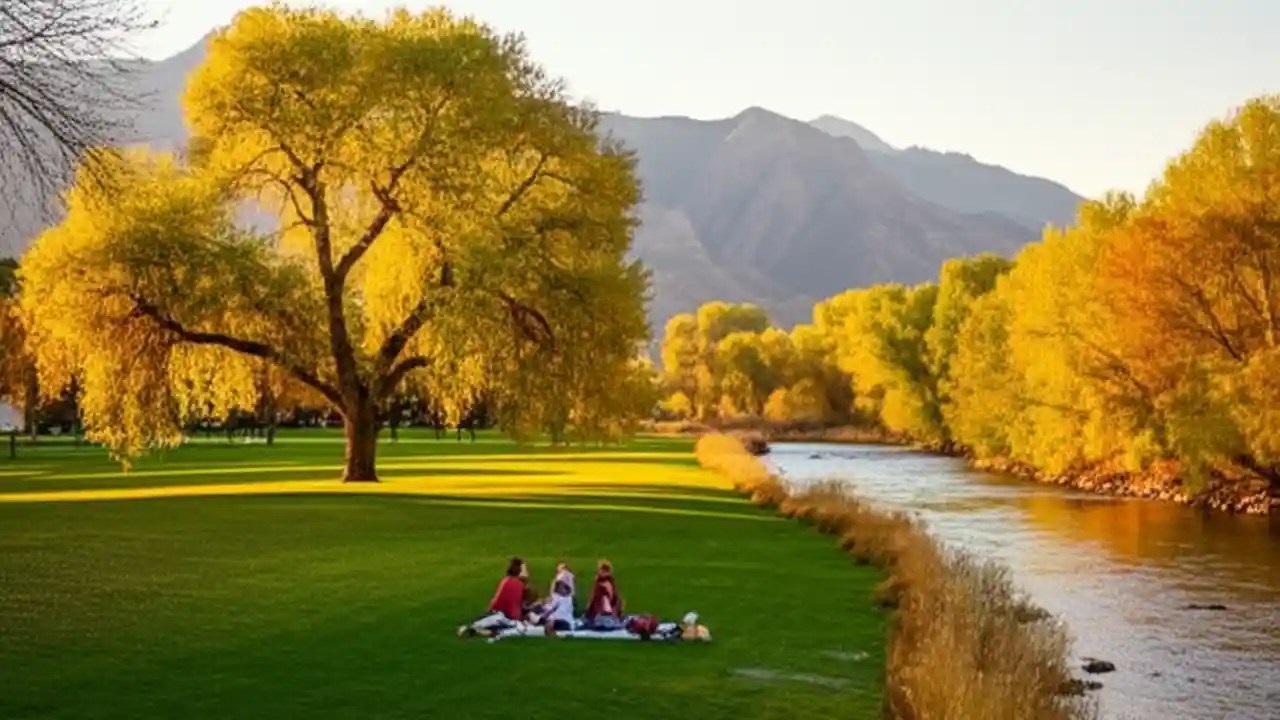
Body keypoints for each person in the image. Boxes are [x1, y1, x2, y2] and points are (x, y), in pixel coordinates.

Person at [458, 556, 527, 638]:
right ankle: (480, 631)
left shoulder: (506, 581)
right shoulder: (519, 584)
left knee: (479, 625)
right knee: (494, 625)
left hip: (501, 617)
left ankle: (477, 631)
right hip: (508, 619)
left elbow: (495, 602)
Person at [585, 558, 623, 629]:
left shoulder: (599, 585)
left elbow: (592, 602)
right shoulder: (612, 584)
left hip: (600, 618)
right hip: (613, 619)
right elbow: (618, 603)